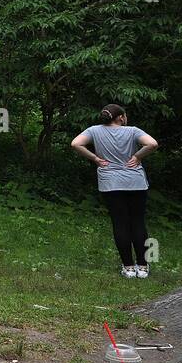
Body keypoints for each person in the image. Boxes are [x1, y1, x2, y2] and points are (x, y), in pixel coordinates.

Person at [70, 104, 158, 278]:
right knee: (138, 222)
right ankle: (143, 266)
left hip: (110, 183)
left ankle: (128, 268)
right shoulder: (132, 131)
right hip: (136, 183)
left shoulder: (94, 131)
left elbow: (75, 144)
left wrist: (95, 158)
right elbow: (152, 144)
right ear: (121, 117)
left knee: (120, 223)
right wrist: (137, 156)